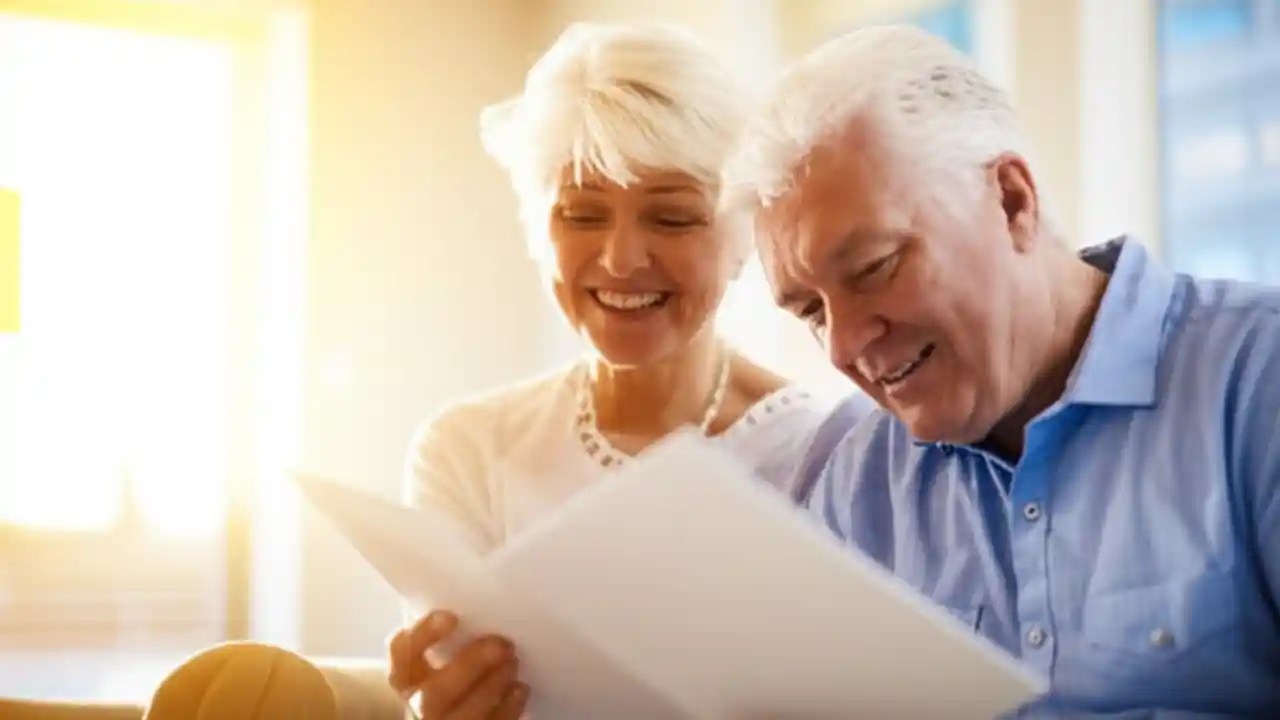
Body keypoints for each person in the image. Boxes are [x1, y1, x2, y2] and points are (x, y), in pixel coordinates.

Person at [726, 25, 1280, 716]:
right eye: (809, 309)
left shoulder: (1258, 385)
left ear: (1013, 201)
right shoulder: (855, 494)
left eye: (874, 268)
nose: (841, 346)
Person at [385, 23, 856, 720]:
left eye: (670, 218)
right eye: (581, 214)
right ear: (537, 231)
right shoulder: (466, 451)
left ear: (744, 238)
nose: (620, 260)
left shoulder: (838, 454)